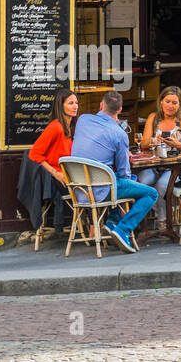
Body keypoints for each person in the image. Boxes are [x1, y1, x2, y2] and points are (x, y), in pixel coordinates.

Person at [69, 91, 159, 254]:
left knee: (122, 180)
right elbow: (124, 172)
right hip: (101, 191)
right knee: (150, 193)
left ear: (101, 105)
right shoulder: (119, 134)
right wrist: (122, 148)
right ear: (119, 110)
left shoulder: (82, 120)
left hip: (78, 189)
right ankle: (123, 229)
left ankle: (111, 223)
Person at [137, 86, 181, 227]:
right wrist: (154, 141)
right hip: (154, 165)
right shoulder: (154, 118)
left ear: (180, 104)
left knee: (161, 186)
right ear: (161, 102)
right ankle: (142, 223)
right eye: (167, 101)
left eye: (174, 103)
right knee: (141, 183)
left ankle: (162, 221)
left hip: (178, 166)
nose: (170, 106)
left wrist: (177, 144)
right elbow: (144, 143)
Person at [20, 89, 78, 235]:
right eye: (70, 103)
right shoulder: (56, 127)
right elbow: (34, 153)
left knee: (92, 189)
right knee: (88, 191)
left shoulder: (72, 128)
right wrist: (55, 173)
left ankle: (93, 229)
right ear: (61, 106)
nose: (75, 106)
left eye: (76, 103)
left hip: (69, 175)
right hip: (55, 179)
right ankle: (93, 230)